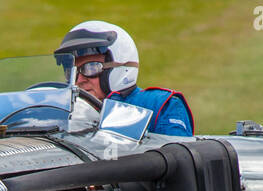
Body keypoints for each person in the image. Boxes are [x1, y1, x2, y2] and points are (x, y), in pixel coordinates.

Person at [55, 20, 194, 136]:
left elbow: (179, 162)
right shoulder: (59, 114)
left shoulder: (159, 105)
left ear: (119, 67)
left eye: (91, 68)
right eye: (71, 71)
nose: (79, 80)